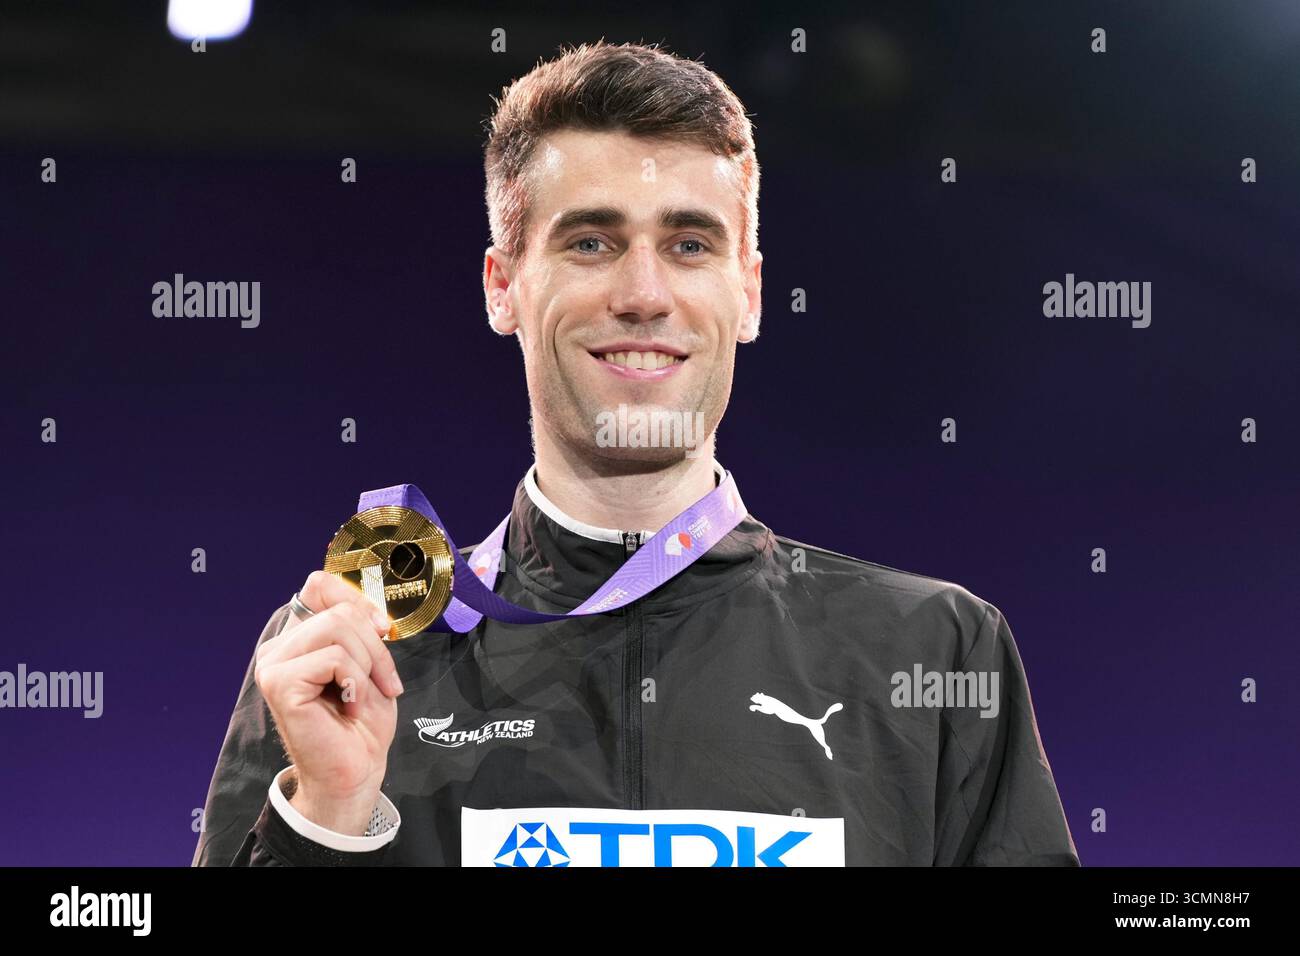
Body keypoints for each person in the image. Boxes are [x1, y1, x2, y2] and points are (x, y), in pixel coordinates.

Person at [193, 40, 1078, 867]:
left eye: (689, 245)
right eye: (591, 243)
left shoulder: (935, 650)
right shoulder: (355, 657)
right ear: (504, 287)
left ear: (750, 293)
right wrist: (328, 819)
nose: (644, 294)